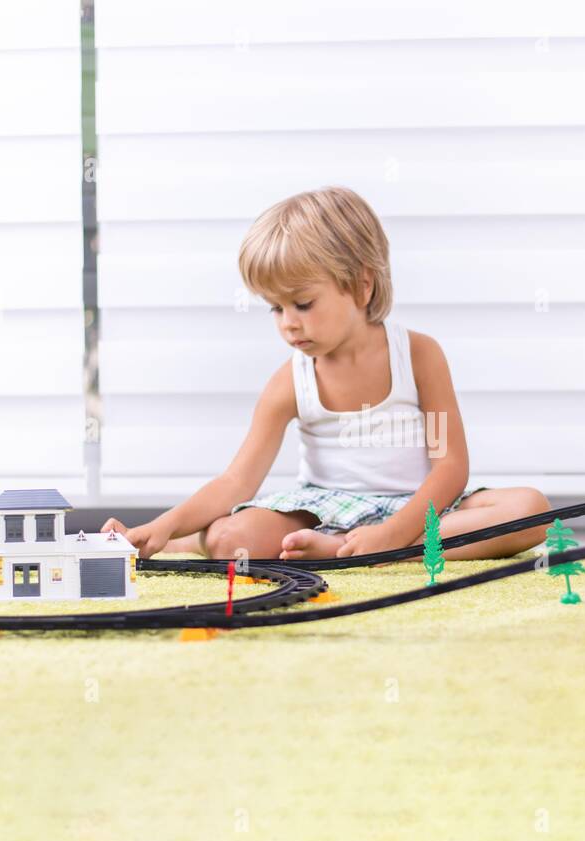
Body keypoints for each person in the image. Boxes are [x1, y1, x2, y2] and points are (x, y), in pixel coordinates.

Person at [102, 186, 550, 561]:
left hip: (423, 508)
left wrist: (395, 531)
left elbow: (450, 466)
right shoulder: (290, 382)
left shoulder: (417, 356)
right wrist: (163, 525)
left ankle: (371, 549)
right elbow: (236, 481)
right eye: (275, 308)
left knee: (531, 510)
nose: (287, 323)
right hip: (324, 507)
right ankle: (192, 542)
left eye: (303, 304)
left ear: (361, 284)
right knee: (227, 538)